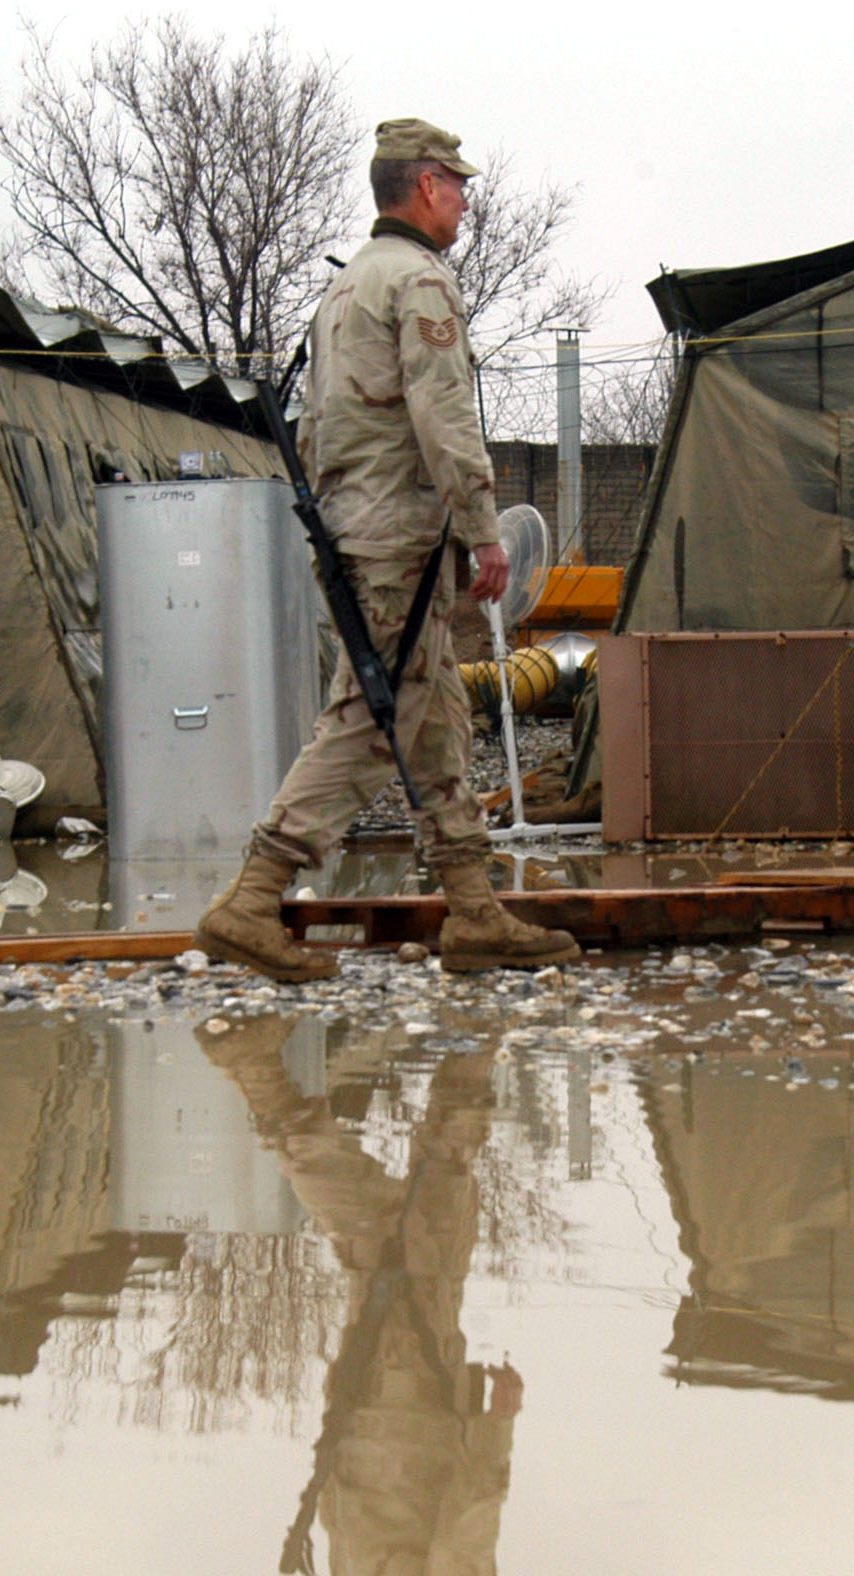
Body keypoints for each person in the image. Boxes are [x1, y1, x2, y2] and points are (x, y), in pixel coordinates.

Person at [195, 119, 580, 984]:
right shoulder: (418, 280)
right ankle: (251, 901)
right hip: (397, 540)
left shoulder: (347, 287)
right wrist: (482, 528)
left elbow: (318, 429)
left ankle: (473, 911)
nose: (466, 201)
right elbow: (442, 415)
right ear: (426, 185)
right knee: (372, 722)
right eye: (458, 185)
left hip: (359, 533)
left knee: (435, 718)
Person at [201, 1016, 520, 1576]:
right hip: (362, 1427)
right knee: (397, 1240)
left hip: (412, 1422)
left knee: (411, 1232)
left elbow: (465, 1538)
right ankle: (456, 1049)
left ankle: (458, 1044)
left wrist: (496, 1430)